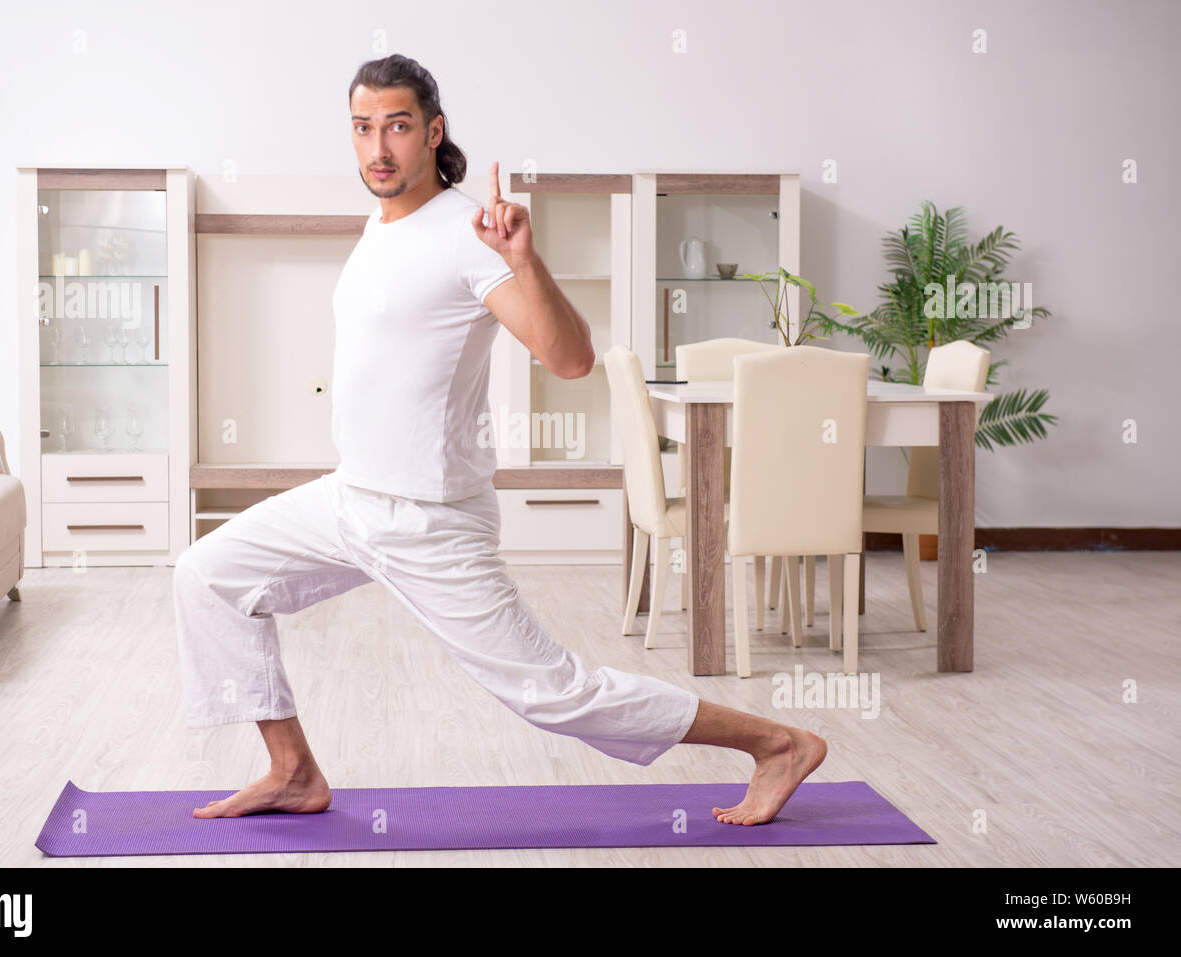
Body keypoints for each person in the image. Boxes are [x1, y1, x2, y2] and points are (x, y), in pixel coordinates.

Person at [173, 53, 827, 826]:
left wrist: (524, 259)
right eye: (363, 128)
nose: (378, 148)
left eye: (398, 126)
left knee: (553, 692)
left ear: (432, 131)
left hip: (430, 517)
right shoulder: (378, 224)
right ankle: (292, 769)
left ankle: (777, 743)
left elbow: (572, 358)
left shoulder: (466, 231)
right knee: (206, 573)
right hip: (351, 497)